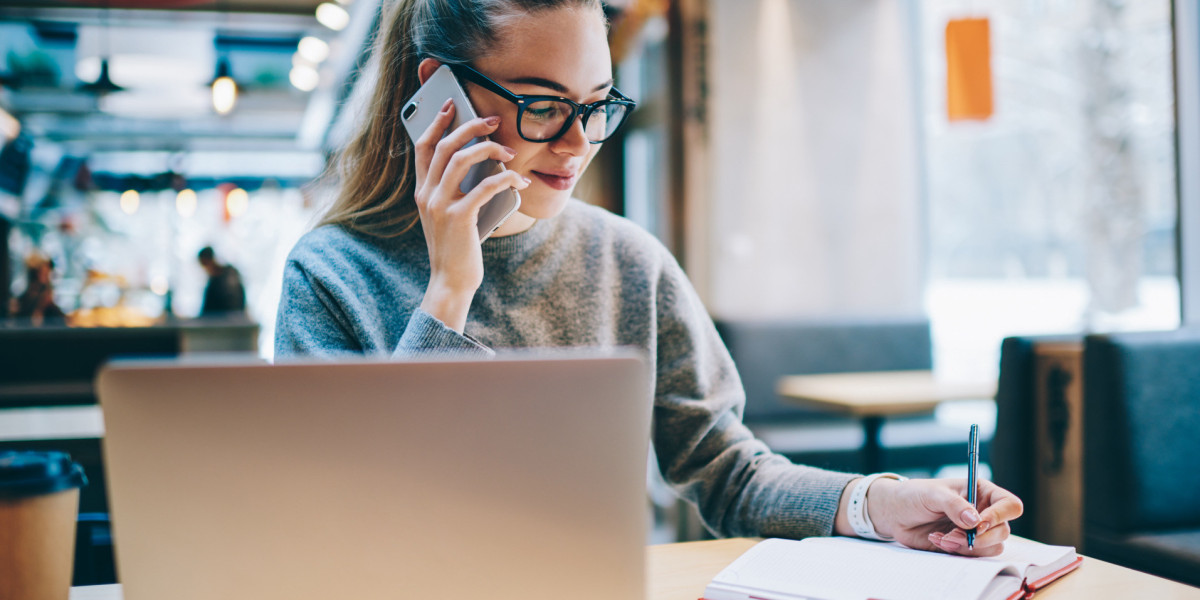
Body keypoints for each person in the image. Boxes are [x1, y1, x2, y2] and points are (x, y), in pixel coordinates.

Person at [275, 0, 1022, 555]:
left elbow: (725, 472)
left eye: (598, 106)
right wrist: (448, 291)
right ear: (439, 92)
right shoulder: (330, 275)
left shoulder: (627, 260)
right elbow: (348, 523)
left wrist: (876, 505)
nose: (577, 144)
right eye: (542, 106)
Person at [12, 254, 66, 326]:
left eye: (48, 271)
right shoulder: (25, 300)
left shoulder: (47, 294)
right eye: (43, 272)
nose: (47, 274)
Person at [197, 246, 246, 316]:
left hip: (229, 321)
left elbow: (234, 304)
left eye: (205, 263)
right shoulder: (213, 281)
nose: (205, 268)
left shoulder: (229, 276)